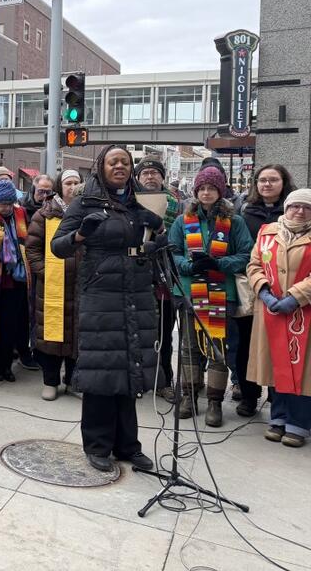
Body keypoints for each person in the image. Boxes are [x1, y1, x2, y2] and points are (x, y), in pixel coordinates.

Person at [51, 144, 160, 473]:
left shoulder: (142, 201)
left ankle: (128, 445)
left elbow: (154, 236)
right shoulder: (85, 202)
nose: (120, 167)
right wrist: (82, 234)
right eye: (113, 162)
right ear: (101, 167)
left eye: (125, 162)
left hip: (136, 292)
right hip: (101, 293)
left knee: (129, 369)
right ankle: (98, 444)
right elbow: (59, 245)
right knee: (102, 370)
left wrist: (157, 244)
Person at [168, 165, 252, 427]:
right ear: (195, 191)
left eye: (212, 188)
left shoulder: (234, 222)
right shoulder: (184, 220)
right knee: (189, 347)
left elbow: (247, 255)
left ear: (221, 191)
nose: (206, 192)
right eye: (202, 188)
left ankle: (215, 401)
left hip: (220, 293)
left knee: (217, 348)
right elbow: (173, 251)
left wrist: (219, 264)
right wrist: (188, 266)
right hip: (189, 290)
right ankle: (190, 397)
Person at [247, 189, 311, 447]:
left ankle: (299, 423)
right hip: (271, 311)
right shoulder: (267, 232)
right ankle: (279, 417)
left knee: (303, 369)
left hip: (304, 313)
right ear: (286, 207)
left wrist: (296, 296)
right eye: (295, 206)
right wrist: (263, 290)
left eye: (306, 207)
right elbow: (253, 265)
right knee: (276, 366)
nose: (299, 211)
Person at [236, 164, 296, 417]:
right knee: (245, 345)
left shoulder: (295, 212)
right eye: (262, 180)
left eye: (273, 180)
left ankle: (277, 397)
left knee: (282, 347)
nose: (267, 185)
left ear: (284, 183)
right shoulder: (245, 212)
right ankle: (249, 395)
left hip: (288, 293)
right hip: (253, 290)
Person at [26, 169, 80, 400]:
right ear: (60, 186)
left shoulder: (88, 213)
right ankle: (50, 381)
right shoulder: (45, 214)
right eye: (68, 183)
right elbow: (32, 248)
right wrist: (44, 271)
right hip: (52, 285)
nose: (73, 187)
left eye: (77, 182)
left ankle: (73, 381)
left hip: (80, 285)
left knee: (77, 334)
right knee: (51, 334)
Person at [133, 157, 182, 402]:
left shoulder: (177, 205)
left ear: (162, 177)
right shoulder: (129, 202)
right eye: (145, 173)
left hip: (164, 275)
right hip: (135, 274)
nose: (150, 176)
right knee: (134, 332)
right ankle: (137, 379)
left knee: (163, 332)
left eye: (155, 173)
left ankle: (164, 381)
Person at [0, 179, 34, 378]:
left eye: (8, 203)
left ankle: (6, 365)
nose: (5, 208)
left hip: (17, 279)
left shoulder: (20, 213)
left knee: (11, 325)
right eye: (1, 204)